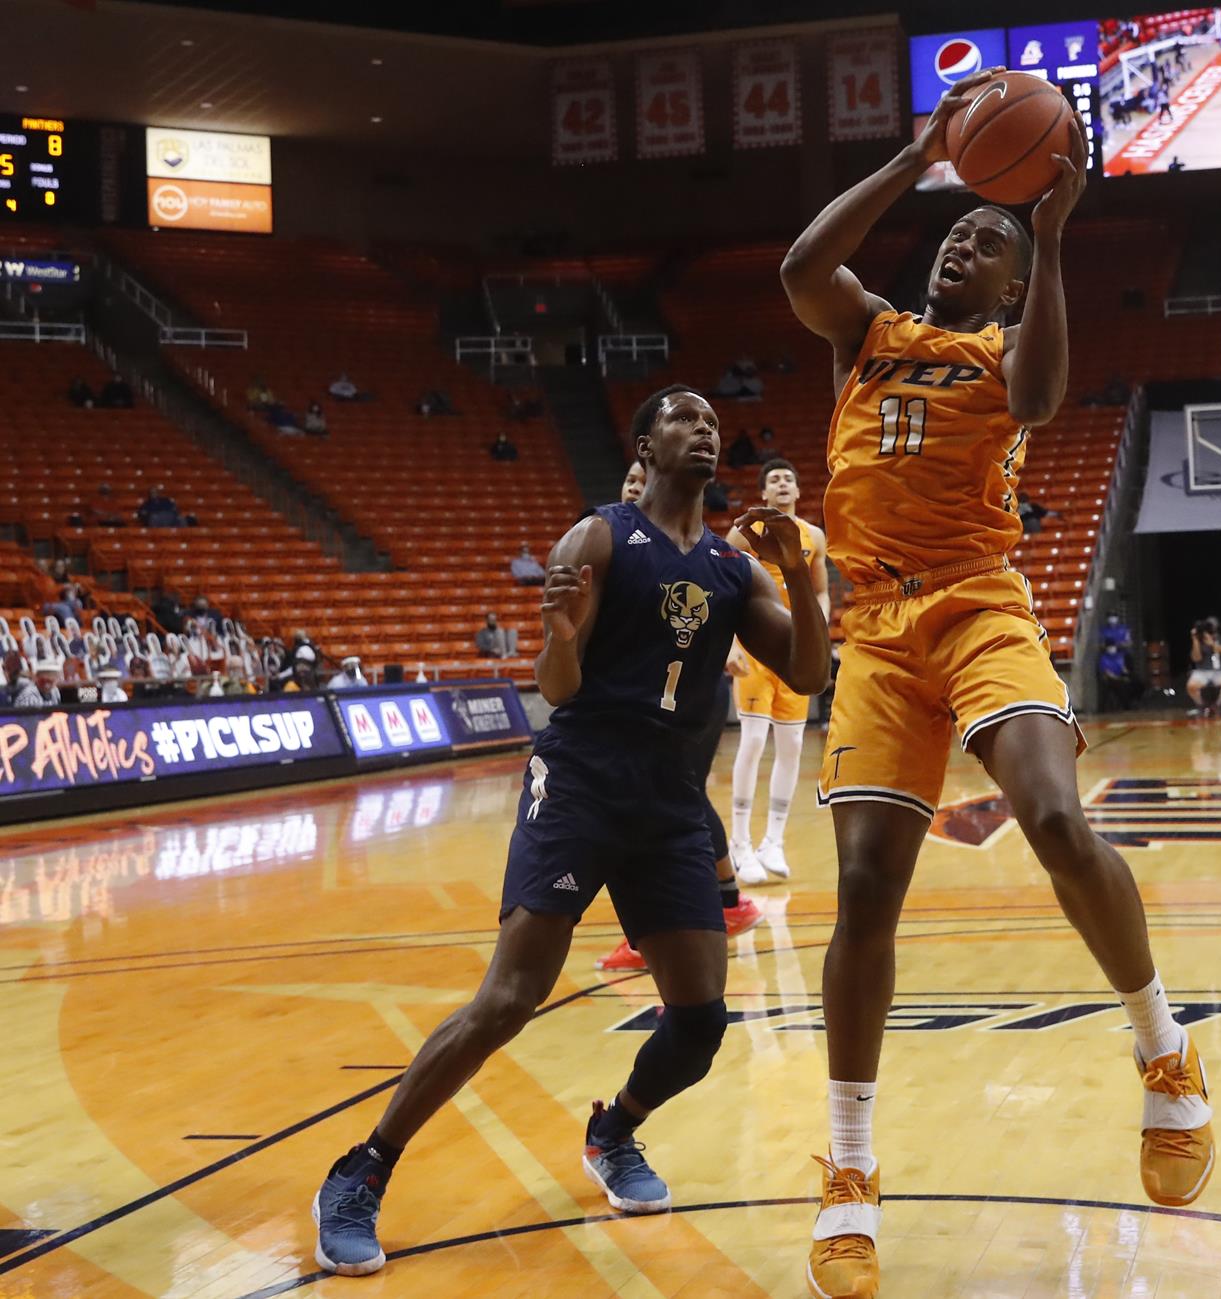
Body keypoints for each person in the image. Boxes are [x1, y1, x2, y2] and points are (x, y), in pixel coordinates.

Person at [781, 71, 1214, 1296]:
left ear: (1011, 287)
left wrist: (1053, 237)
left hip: (975, 601)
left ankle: (1163, 1053)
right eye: (959, 230)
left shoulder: (1000, 350)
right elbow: (800, 269)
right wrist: (917, 158)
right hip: (871, 627)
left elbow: (1039, 393)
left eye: (990, 242)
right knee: (865, 887)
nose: (965, 242)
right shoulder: (868, 332)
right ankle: (851, 1168)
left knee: (1054, 819)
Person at [309, 384, 831, 1278]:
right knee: (510, 997)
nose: (703, 428)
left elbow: (811, 669)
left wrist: (806, 577)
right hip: (584, 780)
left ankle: (612, 1128)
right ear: (644, 443)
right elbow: (557, 683)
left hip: (669, 803)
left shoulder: (733, 569)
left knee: (701, 1020)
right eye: (682, 417)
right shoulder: (598, 537)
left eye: (712, 419)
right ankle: (362, 1169)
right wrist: (556, 632)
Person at [598, 452, 771, 972]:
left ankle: (660, 926)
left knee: (665, 798)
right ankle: (726, 902)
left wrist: (730, 644)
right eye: (627, 480)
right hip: (646, 698)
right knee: (680, 794)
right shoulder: (610, 540)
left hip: (691, 689)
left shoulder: (691, 546)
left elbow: (710, 604)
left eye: (640, 480)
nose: (633, 488)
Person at [723, 459, 829, 886]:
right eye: (774, 480)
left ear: (798, 492)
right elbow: (723, 591)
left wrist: (817, 633)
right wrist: (729, 642)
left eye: (789, 478)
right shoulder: (743, 532)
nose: (782, 484)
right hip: (754, 648)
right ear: (763, 493)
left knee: (792, 745)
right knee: (751, 741)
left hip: (793, 653)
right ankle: (740, 841)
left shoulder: (814, 536)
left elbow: (820, 591)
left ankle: (774, 841)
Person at [1187, 618, 1221, 718]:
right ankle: (1202, 706)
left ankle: (1217, 705)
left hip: (1219, 671)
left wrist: (1212, 644)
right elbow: (1196, 658)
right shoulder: (1200, 641)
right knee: (1191, 686)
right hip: (1201, 671)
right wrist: (1195, 640)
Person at [1097, 640, 1142, 710]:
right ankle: (1126, 706)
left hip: (1122, 676)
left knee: (1137, 682)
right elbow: (1107, 673)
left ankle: (1136, 701)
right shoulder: (1104, 658)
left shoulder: (1119, 656)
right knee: (1122, 686)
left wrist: (1126, 673)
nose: (1112, 648)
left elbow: (1124, 669)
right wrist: (1120, 678)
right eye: (1110, 647)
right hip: (1112, 679)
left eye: (1113, 646)